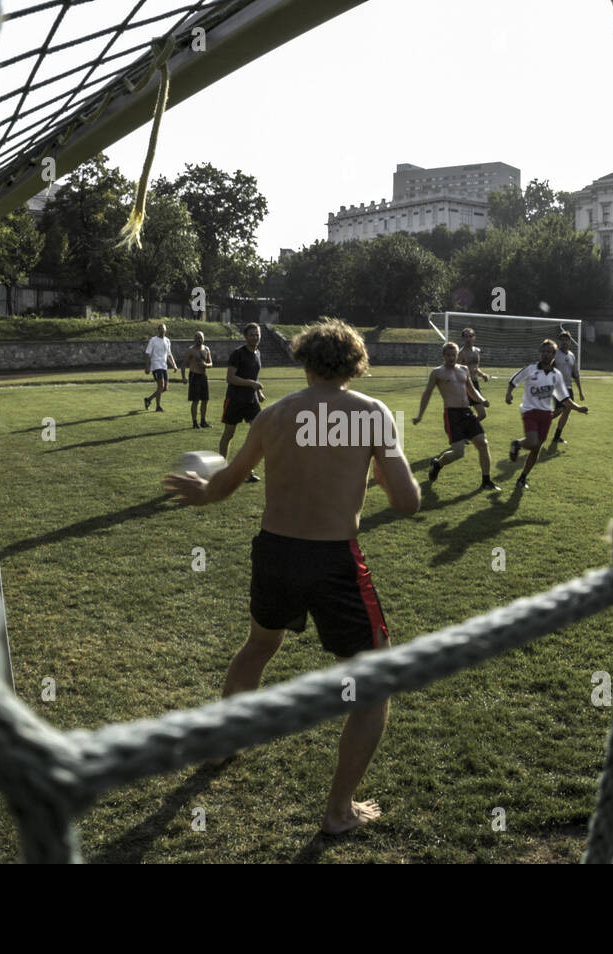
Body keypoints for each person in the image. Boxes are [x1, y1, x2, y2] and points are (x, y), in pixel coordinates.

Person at [163, 318, 421, 834]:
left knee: (259, 645)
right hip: (333, 561)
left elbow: (224, 485)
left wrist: (200, 490)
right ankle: (337, 811)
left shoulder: (275, 415)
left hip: (275, 552)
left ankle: (223, 742)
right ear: (356, 364)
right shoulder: (372, 414)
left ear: (303, 360)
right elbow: (408, 502)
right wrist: (376, 469)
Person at [413, 342, 498, 491]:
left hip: (467, 412)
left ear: (458, 355)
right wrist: (420, 415)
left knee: (483, 444)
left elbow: (471, 390)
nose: (451, 358)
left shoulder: (464, 370)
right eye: (448, 355)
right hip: (452, 415)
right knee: (459, 452)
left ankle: (486, 481)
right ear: (443, 356)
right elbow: (427, 394)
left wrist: (482, 400)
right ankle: (437, 464)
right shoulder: (437, 372)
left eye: (454, 355)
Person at [506, 340, 588, 490]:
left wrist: (578, 408)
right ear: (540, 352)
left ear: (554, 355)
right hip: (530, 411)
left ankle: (522, 478)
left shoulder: (556, 375)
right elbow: (514, 381)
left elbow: (565, 398)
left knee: (536, 447)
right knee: (531, 441)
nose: (545, 354)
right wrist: (509, 394)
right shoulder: (531, 369)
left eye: (549, 352)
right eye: (543, 351)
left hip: (546, 415)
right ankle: (517, 444)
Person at [220, 323, 264, 482]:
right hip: (235, 399)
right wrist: (252, 384)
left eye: (257, 334)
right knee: (229, 433)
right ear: (246, 336)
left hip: (251, 401)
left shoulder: (258, 353)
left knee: (258, 434)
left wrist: (258, 391)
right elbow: (230, 378)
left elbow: (254, 376)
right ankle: (223, 469)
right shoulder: (238, 354)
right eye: (252, 334)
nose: (255, 337)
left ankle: (247, 470)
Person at [550, 329, 585, 444]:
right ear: (560, 342)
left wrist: (580, 391)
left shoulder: (572, 356)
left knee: (567, 411)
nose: (564, 342)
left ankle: (557, 436)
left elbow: (575, 374)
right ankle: (542, 420)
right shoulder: (555, 354)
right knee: (559, 410)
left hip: (568, 388)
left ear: (570, 341)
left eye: (566, 339)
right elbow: (548, 369)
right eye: (562, 340)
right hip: (557, 387)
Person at [457, 328, 491, 421]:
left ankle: (468, 427)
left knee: (482, 414)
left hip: (475, 384)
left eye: (470, 336)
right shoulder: (461, 353)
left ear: (474, 337)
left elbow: (475, 368)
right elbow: (457, 370)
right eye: (466, 337)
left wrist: (483, 375)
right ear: (463, 338)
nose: (468, 339)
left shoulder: (477, 351)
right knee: (463, 414)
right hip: (464, 385)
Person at [143, 323, 177, 413]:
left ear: (166, 330)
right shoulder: (153, 340)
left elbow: (169, 354)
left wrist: (174, 365)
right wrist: (147, 367)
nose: (162, 330)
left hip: (164, 366)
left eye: (163, 328)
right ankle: (158, 406)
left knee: (165, 388)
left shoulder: (167, 341)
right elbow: (147, 353)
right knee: (160, 386)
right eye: (160, 328)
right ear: (158, 330)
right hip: (156, 365)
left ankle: (148, 399)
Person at [185, 331, 213, 429]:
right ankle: (194, 422)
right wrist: (184, 377)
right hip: (194, 376)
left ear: (203, 338)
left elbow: (211, 363)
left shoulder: (206, 349)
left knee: (205, 400)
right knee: (195, 400)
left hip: (203, 376)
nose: (199, 340)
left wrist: (206, 365)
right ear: (194, 339)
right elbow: (184, 364)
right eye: (197, 338)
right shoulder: (191, 350)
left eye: (200, 338)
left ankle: (203, 421)